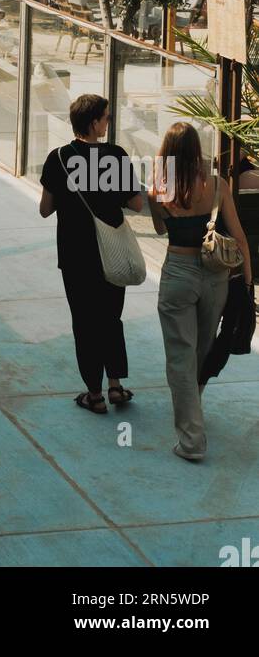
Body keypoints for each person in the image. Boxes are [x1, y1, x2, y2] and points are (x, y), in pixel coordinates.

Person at [149, 122, 252, 461]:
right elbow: (239, 237)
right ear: (197, 150)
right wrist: (247, 284)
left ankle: (191, 439)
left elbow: (160, 228)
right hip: (215, 276)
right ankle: (194, 413)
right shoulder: (218, 186)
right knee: (202, 350)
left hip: (178, 272)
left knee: (181, 355)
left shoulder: (159, 187)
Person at [40, 94, 144, 413]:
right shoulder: (115, 156)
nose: (109, 122)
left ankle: (93, 394)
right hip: (111, 251)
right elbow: (137, 204)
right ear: (94, 123)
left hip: (75, 255)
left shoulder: (58, 158)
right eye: (107, 117)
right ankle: (115, 387)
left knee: (84, 321)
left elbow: (45, 209)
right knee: (111, 318)